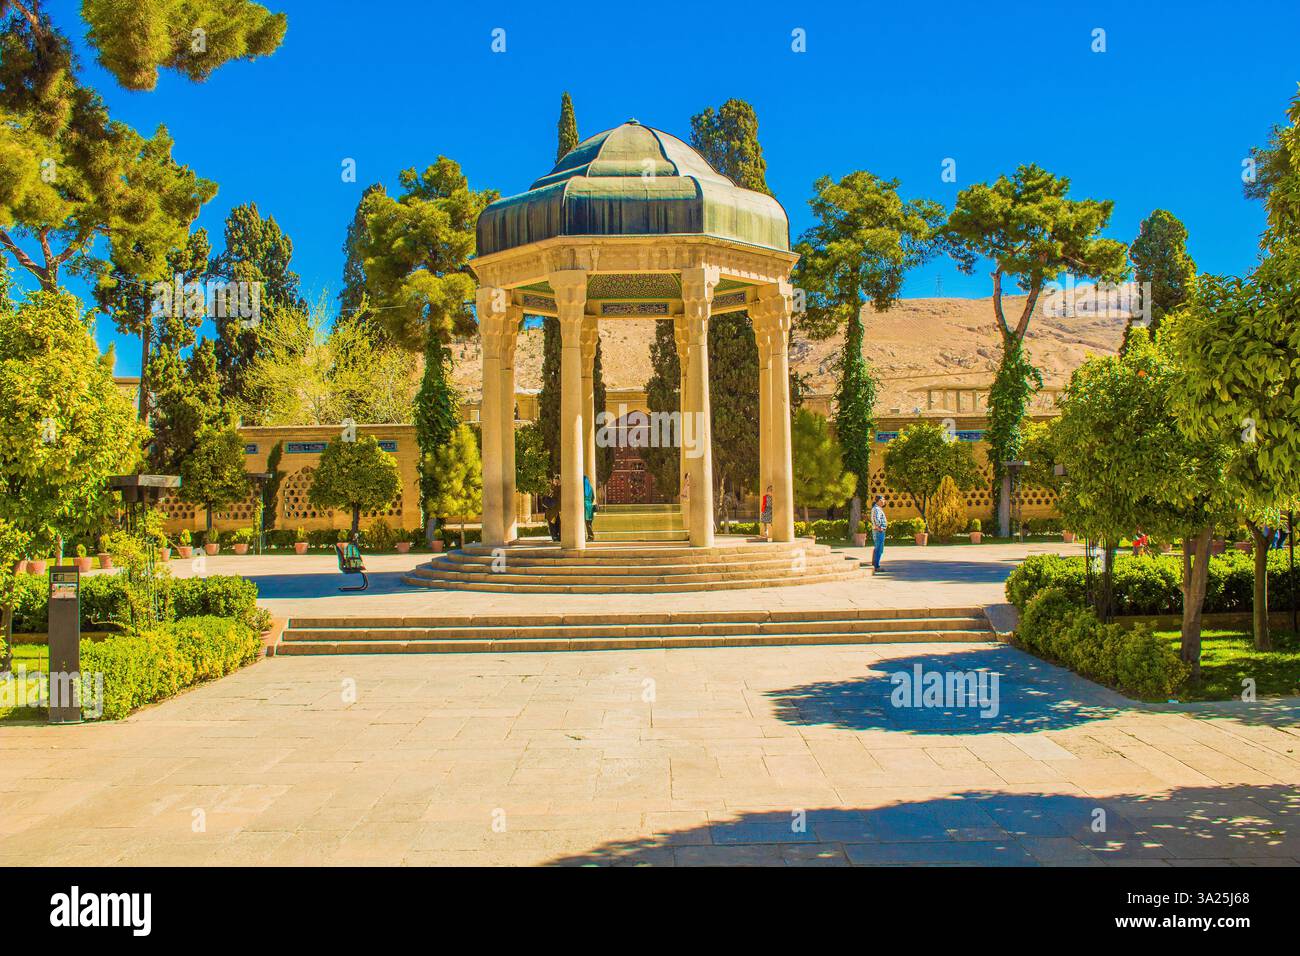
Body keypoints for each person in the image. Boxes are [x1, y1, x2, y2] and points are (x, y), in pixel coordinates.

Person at [870, 495, 887, 573]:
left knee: (878, 548)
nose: (884, 501)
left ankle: (875, 565)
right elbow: (876, 519)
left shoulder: (878, 508)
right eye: (883, 500)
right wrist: (879, 528)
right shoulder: (876, 509)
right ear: (879, 501)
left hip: (879, 531)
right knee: (879, 549)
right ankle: (876, 566)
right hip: (879, 531)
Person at [583, 474, 596, 540]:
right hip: (590, 506)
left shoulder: (581, 488)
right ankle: (590, 536)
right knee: (589, 523)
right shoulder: (590, 488)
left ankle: (589, 536)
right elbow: (593, 498)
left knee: (584, 522)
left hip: (584, 506)